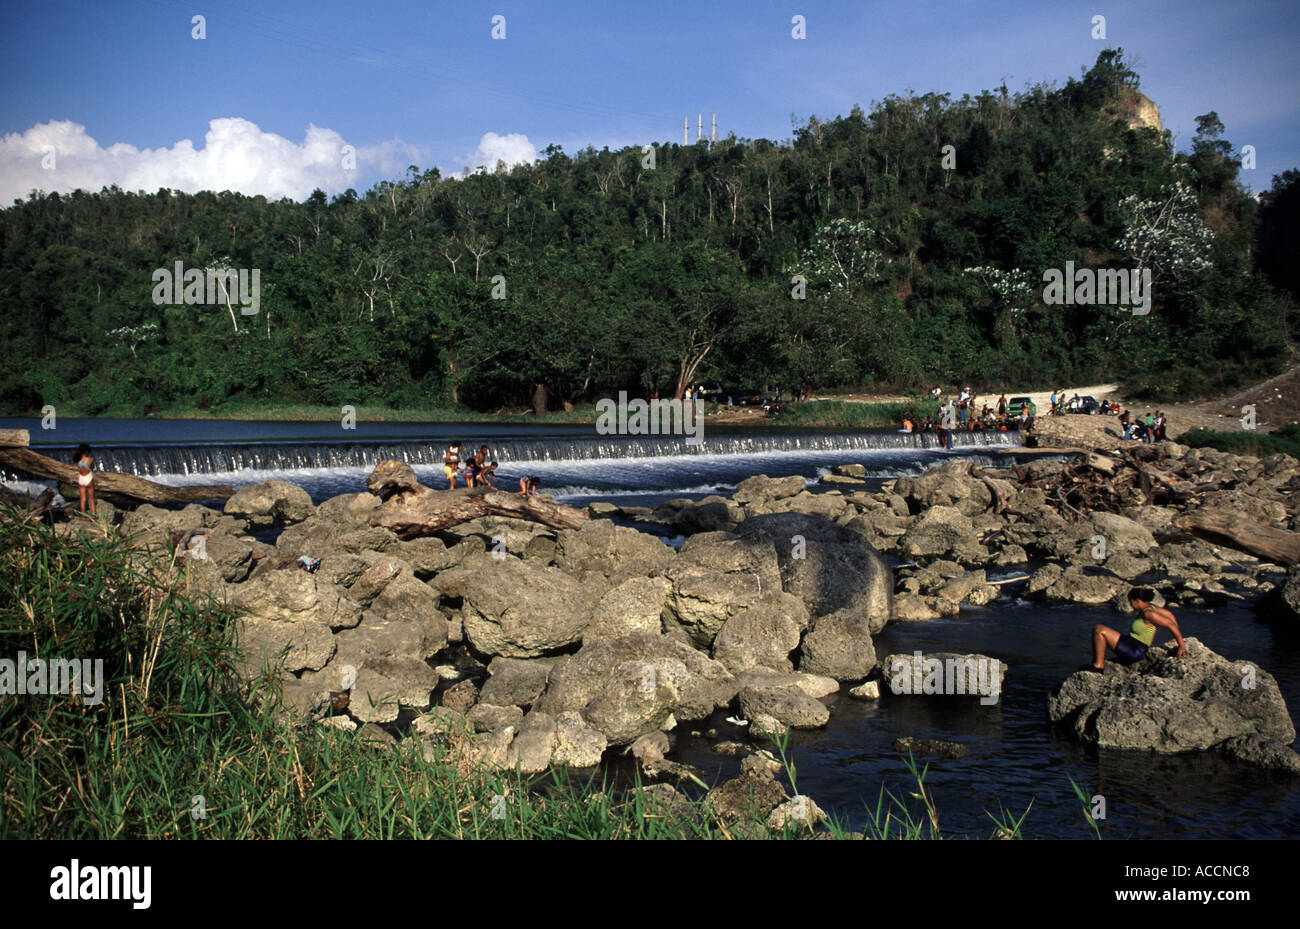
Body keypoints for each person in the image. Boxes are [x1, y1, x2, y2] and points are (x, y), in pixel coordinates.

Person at [1082, 587, 1186, 672]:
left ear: (1137, 601)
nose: (1131, 605)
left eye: (1131, 602)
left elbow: (1170, 624)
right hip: (1132, 643)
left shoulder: (1148, 614)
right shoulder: (1151, 607)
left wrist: (1181, 644)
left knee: (1099, 629)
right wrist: (1175, 638)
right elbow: (1171, 616)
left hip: (1135, 650)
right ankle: (1096, 663)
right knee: (1101, 630)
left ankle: (1099, 665)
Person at [74, 443, 96, 515]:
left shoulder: (77, 461)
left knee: (82, 499)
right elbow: (92, 468)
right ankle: (93, 514)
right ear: (86, 451)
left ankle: (83, 515)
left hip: (81, 478)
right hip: (88, 478)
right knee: (91, 499)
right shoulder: (90, 459)